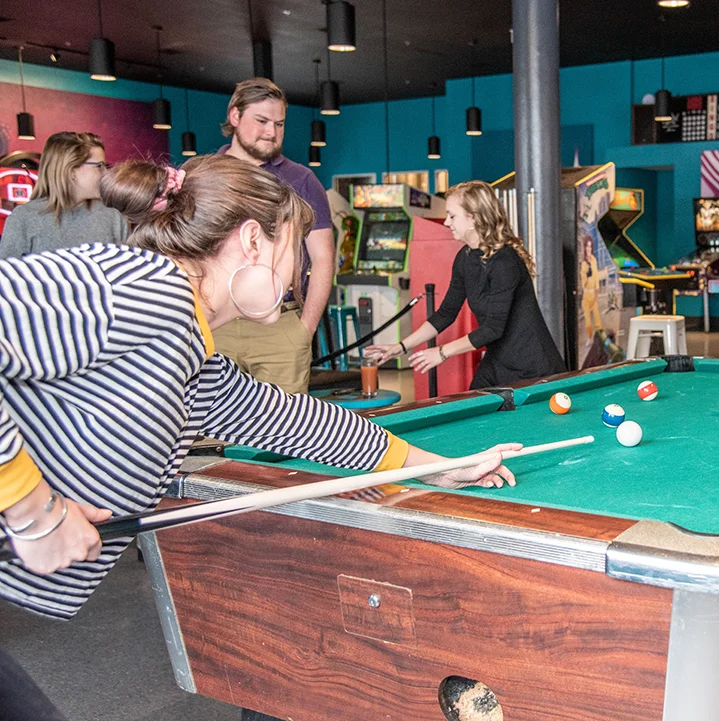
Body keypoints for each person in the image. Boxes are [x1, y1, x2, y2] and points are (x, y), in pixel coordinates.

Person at [0, 155, 521, 718]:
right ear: (253, 240)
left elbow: (287, 418)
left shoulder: (187, 342)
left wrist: (434, 466)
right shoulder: (142, 289)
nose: (299, 274)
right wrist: (33, 510)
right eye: (295, 251)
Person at [365, 180, 566, 388]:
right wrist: (400, 347)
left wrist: (442, 352)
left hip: (533, 366)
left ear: (474, 217)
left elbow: (493, 329)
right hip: (498, 362)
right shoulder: (465, 257)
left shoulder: (505, 262)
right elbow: (446, 314)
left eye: (452, 216)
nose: (446, 222)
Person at [213, 78, 336, 394]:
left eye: (279, 124)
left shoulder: (301, 179)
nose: (271, 132)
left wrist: (305, 329)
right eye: (262, 121)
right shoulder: (205, 175)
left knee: (286, 424)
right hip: (216, 325)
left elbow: (323, 257)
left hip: (281, 325)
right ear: (235, 116)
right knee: (211, 423)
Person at [0, 132, 128, 259]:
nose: (105, 173)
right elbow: (6, 271)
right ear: (71, 170)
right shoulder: (24, 218)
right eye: (99, 166)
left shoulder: (114, 217)